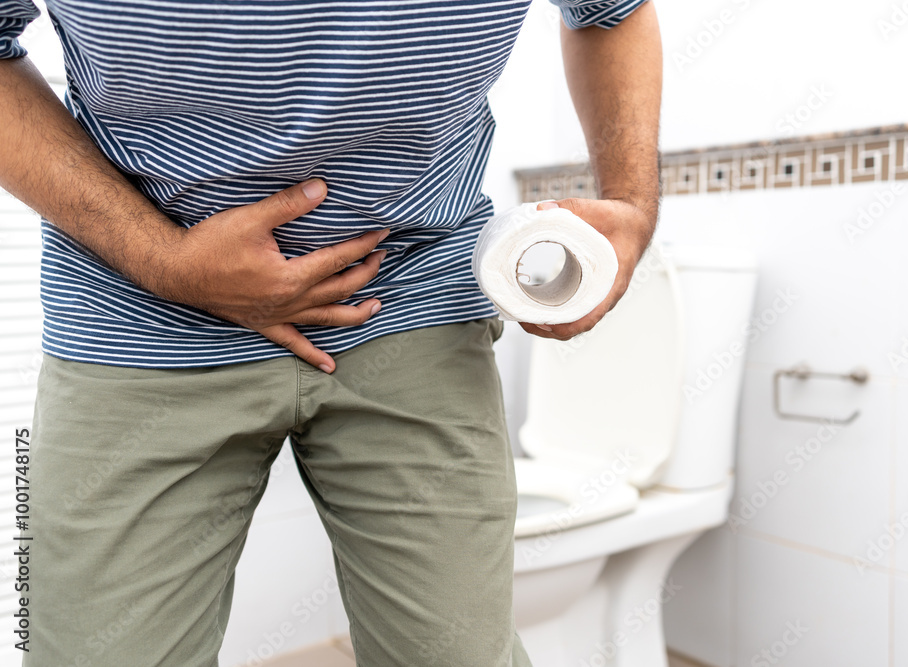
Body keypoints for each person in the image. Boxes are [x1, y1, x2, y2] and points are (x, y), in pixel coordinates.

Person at [0, 0, 662, 663]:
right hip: (137, 314)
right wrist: (163, 261)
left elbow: (610, 11)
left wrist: (632, 200)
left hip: (409, 299)